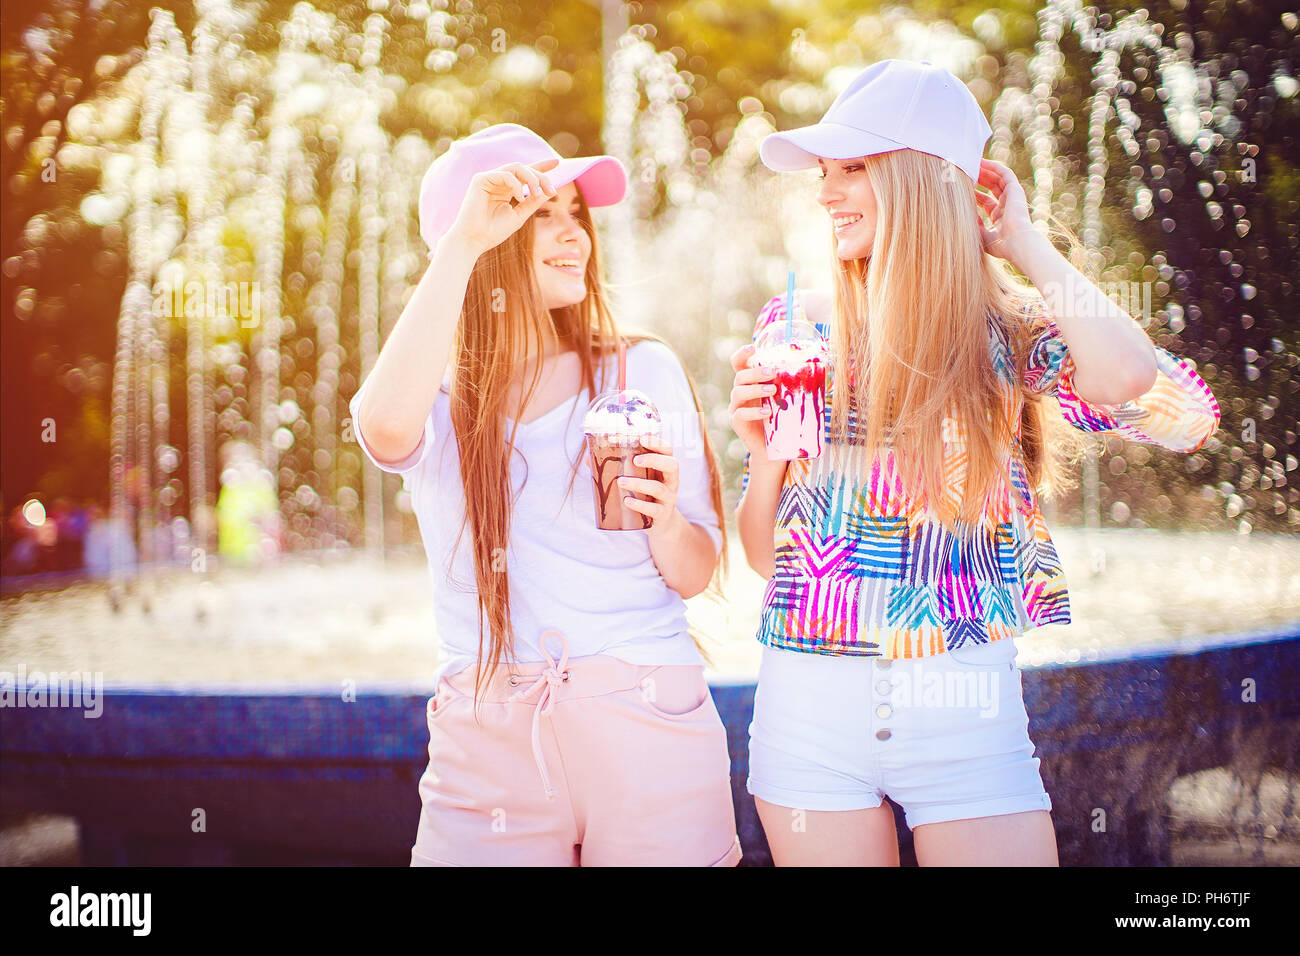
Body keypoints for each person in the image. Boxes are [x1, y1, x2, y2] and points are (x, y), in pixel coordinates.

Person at [729, 60, 1221, 866]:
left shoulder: (1010, 334)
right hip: (808, 714)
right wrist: (762, 454)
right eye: (825, 173)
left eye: (853, 169)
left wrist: (1024, 243)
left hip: (963, 719)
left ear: (922, 182)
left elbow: (1167, 407)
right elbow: (764, 559)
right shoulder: (797, 328)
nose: (825, 194)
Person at [349, 123, 741, 866]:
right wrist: (460, 247)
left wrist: (661, 523)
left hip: (646, 724)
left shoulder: (639, 371)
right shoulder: (435, 395)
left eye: (576, 216)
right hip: (487, 742)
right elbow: (382, 429)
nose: (575, 238)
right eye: (542, 216)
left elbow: (696, 569)